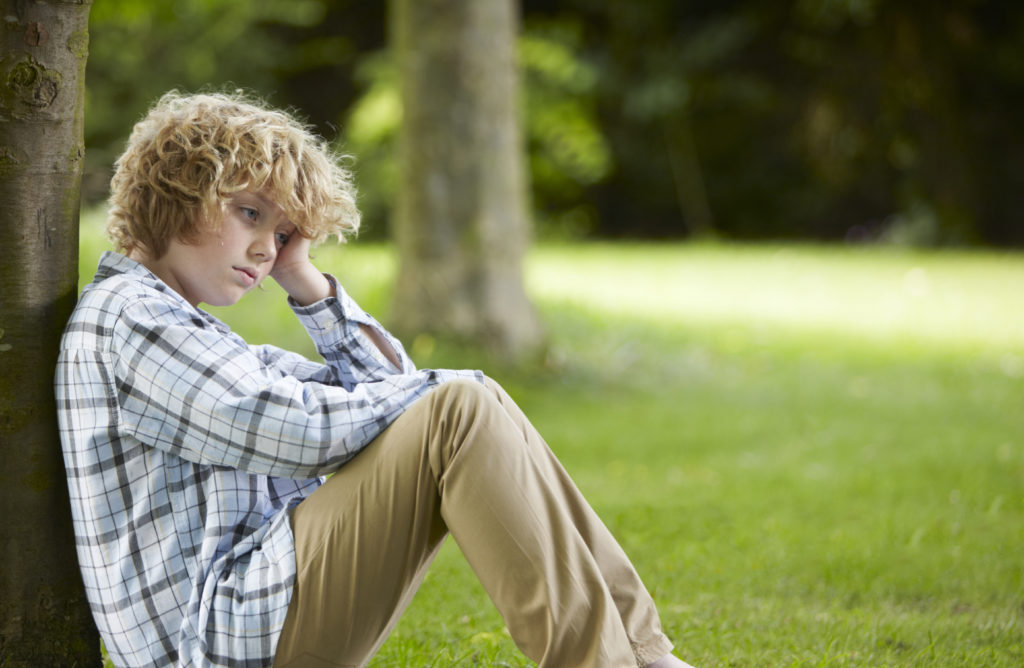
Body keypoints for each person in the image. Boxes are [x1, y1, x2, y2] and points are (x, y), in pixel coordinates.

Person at [56, 90, 695, 668]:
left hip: (255, 614)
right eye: (250, 213)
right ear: (174, 191)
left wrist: (305, 282)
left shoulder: (193, 331)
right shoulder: (130, 319)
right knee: (461, 404)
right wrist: (451, 391)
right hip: (220, 634)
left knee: (462, 405)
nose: (266, 250)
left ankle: (645, 657)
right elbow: (299, 431)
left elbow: (394, 399)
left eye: (281, 234)